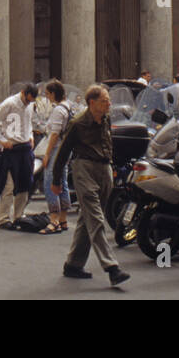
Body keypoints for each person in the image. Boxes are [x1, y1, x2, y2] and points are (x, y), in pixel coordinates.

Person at [51, 84, 129, 288]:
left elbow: (107, 142)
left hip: (103, 169)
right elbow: (63, 153)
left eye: (108, 100)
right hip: (84, 168)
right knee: (96, 218)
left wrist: (110, 165)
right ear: (92, 103)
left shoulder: (105, 118)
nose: (109, 104)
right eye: (105, 100)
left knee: (88, 219)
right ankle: (112, 268)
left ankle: (73, 265)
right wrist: (56, 180)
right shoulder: (78, 123)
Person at [0, 83, 38, 230]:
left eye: (31, 101)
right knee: (8, 186)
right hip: (12, 149)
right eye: (27, 100)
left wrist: (30, 136)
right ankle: (4, 219)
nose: (28, 103)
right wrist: (2, 141)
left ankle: (18, 216)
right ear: (23, 93)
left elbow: (28, 123)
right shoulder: (9, 103)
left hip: (25, 148)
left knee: (25, 184)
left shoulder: (30, 105)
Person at [41, 80, 73, 233]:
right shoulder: (69, 106)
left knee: (50, 182)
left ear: (53, 94)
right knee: (63, 182)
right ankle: (63, 219)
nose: (47, 97)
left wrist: (47, 154)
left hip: (56, 149)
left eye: (47, 94)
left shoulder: (58, 110)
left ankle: (54, 220)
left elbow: (54, 134)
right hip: (66, 149)